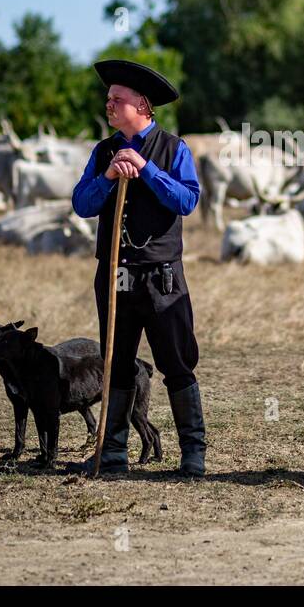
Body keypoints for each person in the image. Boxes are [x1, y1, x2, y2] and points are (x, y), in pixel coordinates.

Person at [72, 60, 206, 476]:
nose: (108, 104)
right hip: (115, 275)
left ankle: (192, 455)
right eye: (109, 98)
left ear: (143, 105)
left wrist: (147, 171)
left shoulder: (173, 148)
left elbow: (186, 200)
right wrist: (110, 175)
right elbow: (81, 204)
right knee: (116, 360)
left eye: (118, 99)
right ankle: (112, 455)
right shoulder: (103, 152)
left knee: (176, 363)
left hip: (162, 276)